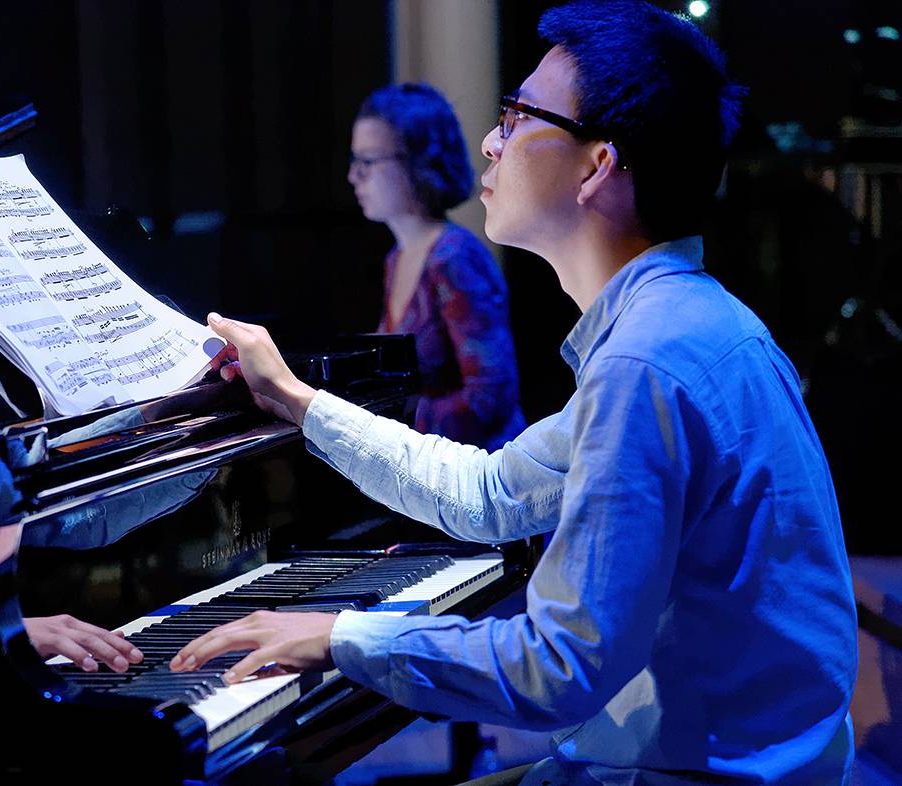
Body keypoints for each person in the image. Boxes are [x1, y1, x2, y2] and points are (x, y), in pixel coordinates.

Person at [170, 2, 859, 783]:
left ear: (597, 165)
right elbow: (489, 490)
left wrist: (341, 635)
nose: (491, 142)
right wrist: (295, 399)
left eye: (516, 114)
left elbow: (561, 666)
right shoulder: (684, 323)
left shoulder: (647, 361)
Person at [350, 83, 526, 448]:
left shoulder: (454, 257)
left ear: (417, 162)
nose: (355, 176)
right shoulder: (396, 258)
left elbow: (490, 398)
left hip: (483, 475)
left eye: (368, 161)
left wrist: (385, 418)